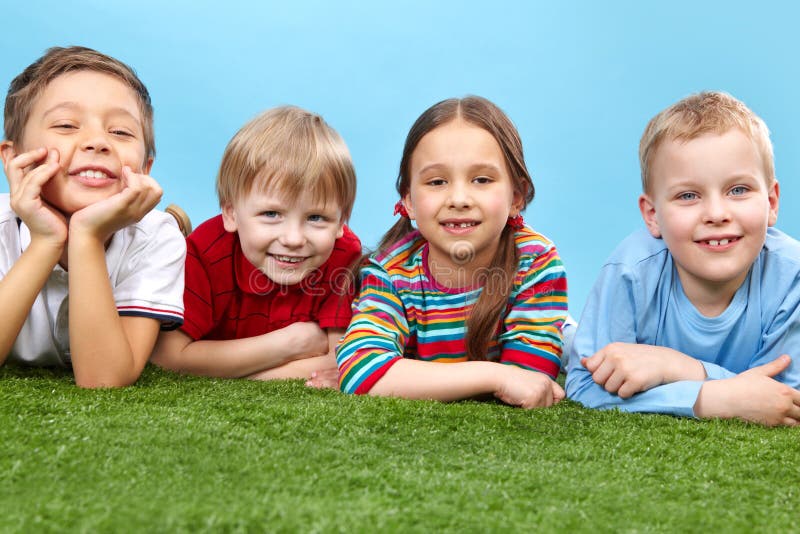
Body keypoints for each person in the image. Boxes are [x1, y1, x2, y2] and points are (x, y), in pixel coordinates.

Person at [566, 91, 800, 426]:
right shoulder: (631, 271)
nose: (717, 213)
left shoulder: (792, 279)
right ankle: (566, 336)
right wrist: (714, 398)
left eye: (738, 190)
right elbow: (585, 385)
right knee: (582, 351)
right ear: (653, 215)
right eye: (688, 195)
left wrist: (679, 368)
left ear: (772, 202)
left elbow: (782, 399)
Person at [332, 96, 568, 408]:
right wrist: (495, 378)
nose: (458, 198)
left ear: (517, 196)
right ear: (409, 201)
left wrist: (407, 377)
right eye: (437, 181)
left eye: (482, 179)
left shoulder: (535, 261)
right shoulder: (390, 271)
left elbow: (529, 381)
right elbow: (362, 372)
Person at [0, 46, 185, 387]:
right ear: (15, 158)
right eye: (67, 125)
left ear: (144, 168)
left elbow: (104, 379)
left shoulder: (158, 236)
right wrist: (46, 241)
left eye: (120, 132)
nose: (98, 142)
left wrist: (86, 236)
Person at [151, 107, 361, 384]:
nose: (294, 239)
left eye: (316, 217)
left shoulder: (344, 254)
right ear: (231, 214)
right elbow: (168, 358)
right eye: (271, 214)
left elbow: (339, 361)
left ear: (341, 223)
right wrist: (291, 343)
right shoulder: (205, 253)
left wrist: (254, 375)